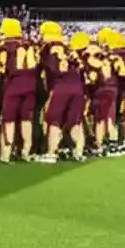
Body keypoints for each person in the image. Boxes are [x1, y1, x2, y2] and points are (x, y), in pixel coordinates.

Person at [40, 23, 85, 163]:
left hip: (62, 86)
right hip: (77, 86)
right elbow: (80, 66)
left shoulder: (50, 47)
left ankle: (51, 153)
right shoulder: (68, 47)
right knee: (75, 122)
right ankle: (78, 152)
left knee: (54, 120)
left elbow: (52, 69)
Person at [0, 17, 38, 163]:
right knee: (26, 119)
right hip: (30, 85)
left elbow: (2, 69)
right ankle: (26, 151)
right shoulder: (29, 44)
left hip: (13, 85)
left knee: (9, 120)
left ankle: (6, 154)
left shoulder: (5, 47)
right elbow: (34, 65)